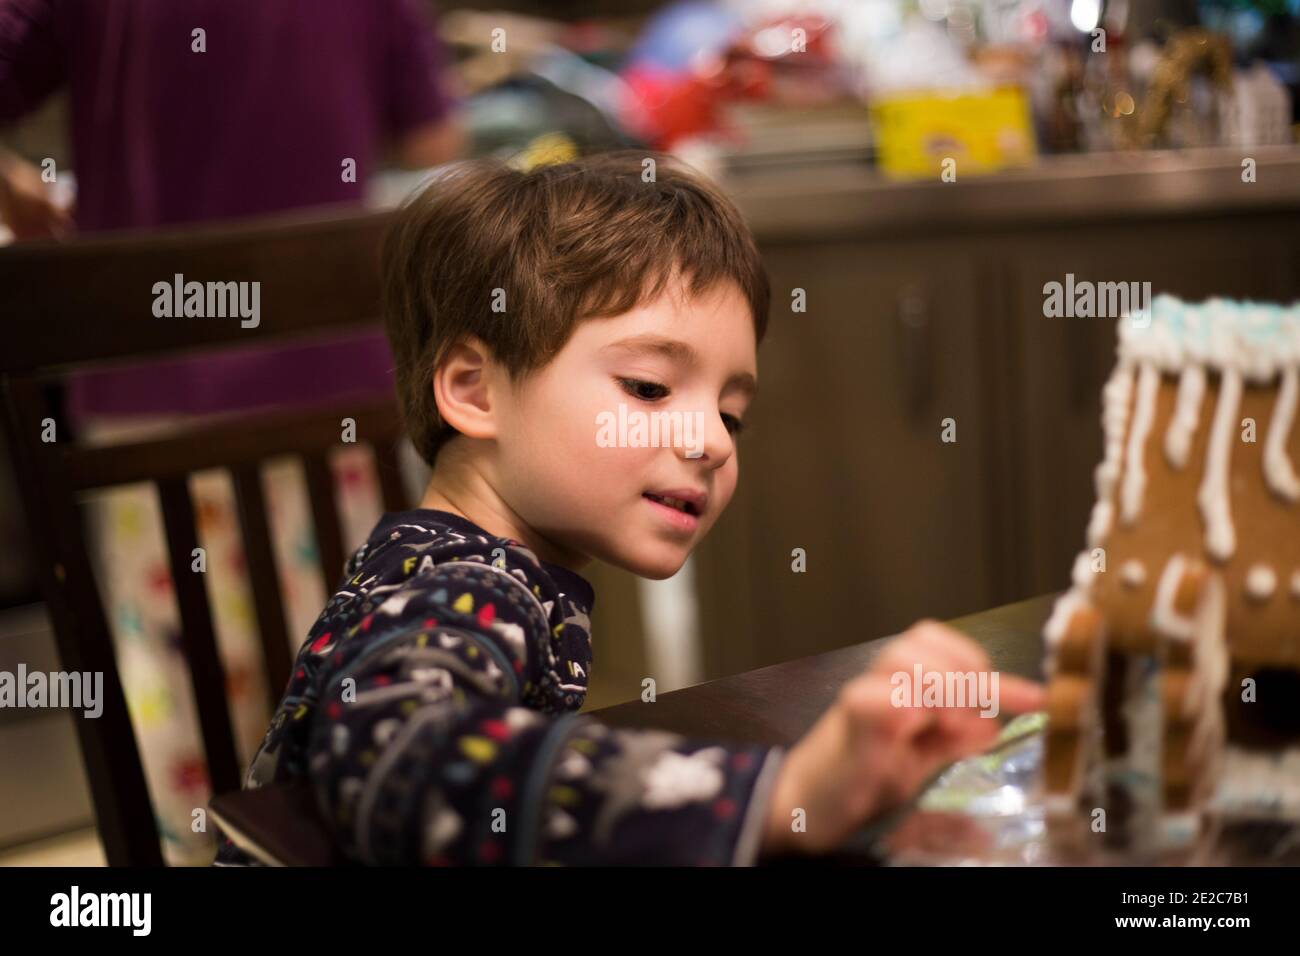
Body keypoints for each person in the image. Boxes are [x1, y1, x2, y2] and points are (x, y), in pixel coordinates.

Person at [215, 151, 1044, 866]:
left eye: (730, 413)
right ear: (475, 391)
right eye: (648, 387)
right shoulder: (463, 587)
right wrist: (779, 795)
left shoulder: (489, 565)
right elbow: (395, 757)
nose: (714, 443)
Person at [0, 0, 465, 864]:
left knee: (185, 691)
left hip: (146, 376)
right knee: (360, 671)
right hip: (332, 393)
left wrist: (14, 181)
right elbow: (433, 142)